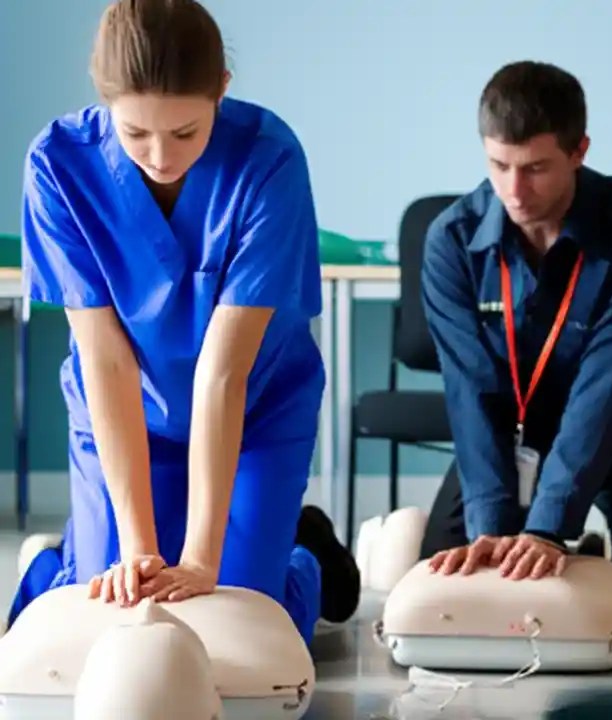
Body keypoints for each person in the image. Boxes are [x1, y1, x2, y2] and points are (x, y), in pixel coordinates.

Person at [11, 0, 360, 644]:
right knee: (110, 607)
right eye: (134, 133)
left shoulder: (269, 160)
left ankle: (304, 552)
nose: (159, 156)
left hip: (253, 409)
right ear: (103, 99)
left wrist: (201, 560)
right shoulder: (57, 166)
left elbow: (224, 373)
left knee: (241, 619)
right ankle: (57, 566)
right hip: (125, 407)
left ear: (221, 90)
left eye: (184, 132)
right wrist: (137, 551)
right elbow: (105, 359)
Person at [420, 60, 612, 634]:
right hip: (513, 435)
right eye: (498, 166)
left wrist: (547, 527)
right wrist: (494, 526)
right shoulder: (452, 240)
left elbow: (608, 387)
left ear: (579, 151)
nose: (514, 191)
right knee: (450, 597)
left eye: (535, 168)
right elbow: (470, 389)